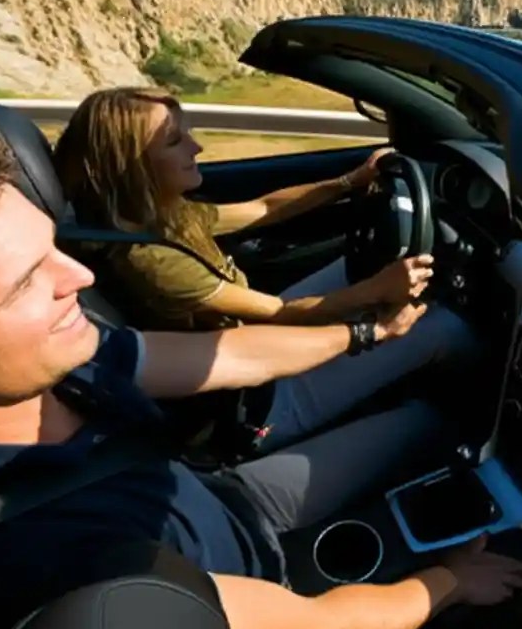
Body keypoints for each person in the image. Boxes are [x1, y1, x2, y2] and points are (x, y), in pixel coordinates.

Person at [0, 134, 522, 629]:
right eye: (28, 282)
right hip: (240, 578)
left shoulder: (31, 360)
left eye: (53, 249)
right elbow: (322, 624)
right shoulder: (43, 571)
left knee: (432, 419)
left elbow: (224, 359)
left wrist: (365, 334)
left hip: (218, 497)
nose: (84, 277)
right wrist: (450, 583)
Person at [52, 87, 478, 450]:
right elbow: (280, 313)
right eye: (174, 142)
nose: (195, 147)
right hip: (256, 396)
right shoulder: (151, 260)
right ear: (131, 164)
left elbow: (261, 209)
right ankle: (469, 427)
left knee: (357, 271)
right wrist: (376, 297)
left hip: (252, 332)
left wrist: (349, 182)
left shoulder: (161, 215)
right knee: (447, 329)